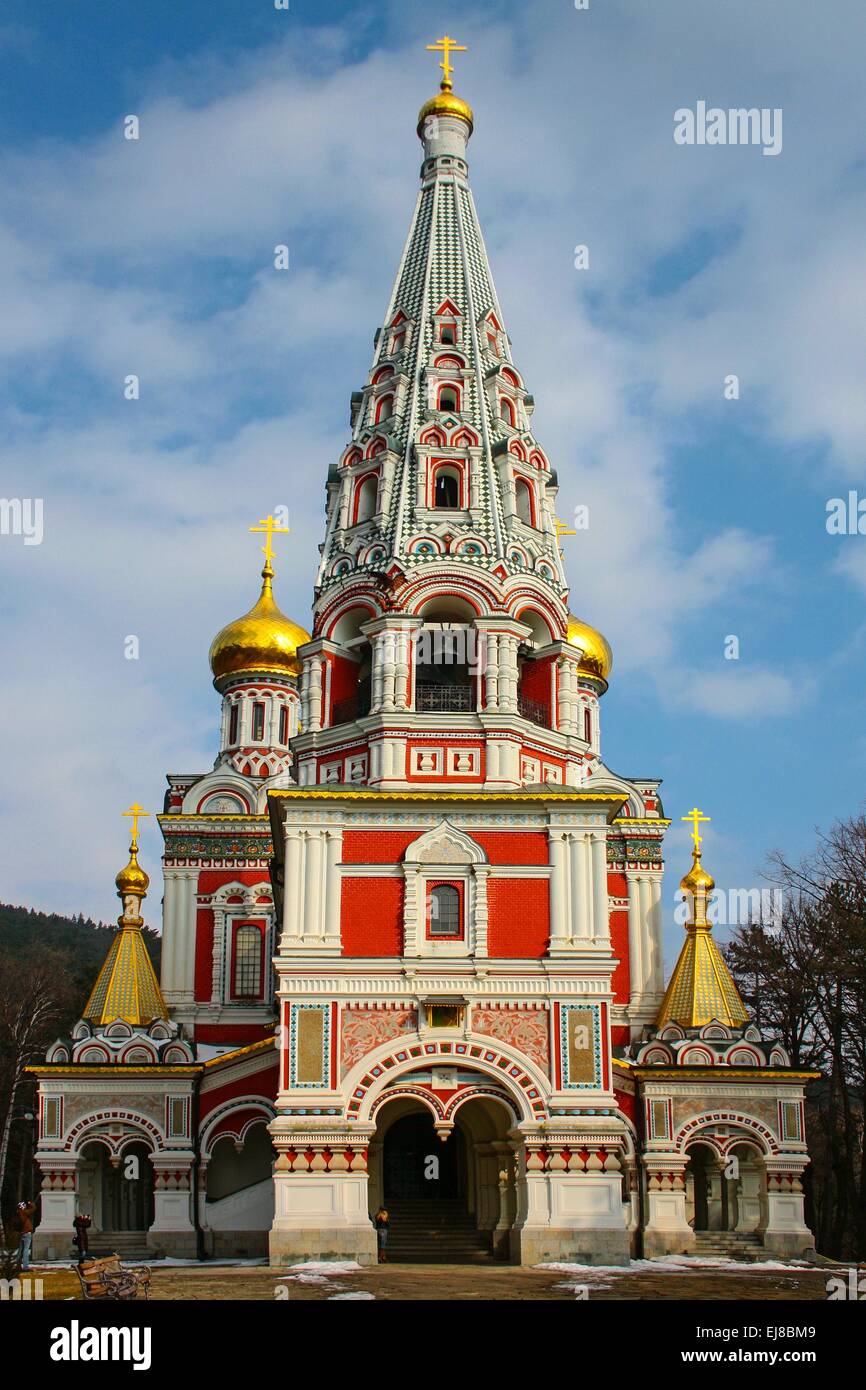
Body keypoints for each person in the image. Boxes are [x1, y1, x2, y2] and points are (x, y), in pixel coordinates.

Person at [17, 1201, 36, 1272]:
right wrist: (30, 1203)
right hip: (27, 1233)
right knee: (26, 1250)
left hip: (21, 1233)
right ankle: (25, 1267)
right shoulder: (24, 1212)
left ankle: (18, 1265)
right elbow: (33, 1208)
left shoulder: (18, 1213)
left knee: (20, 1250)